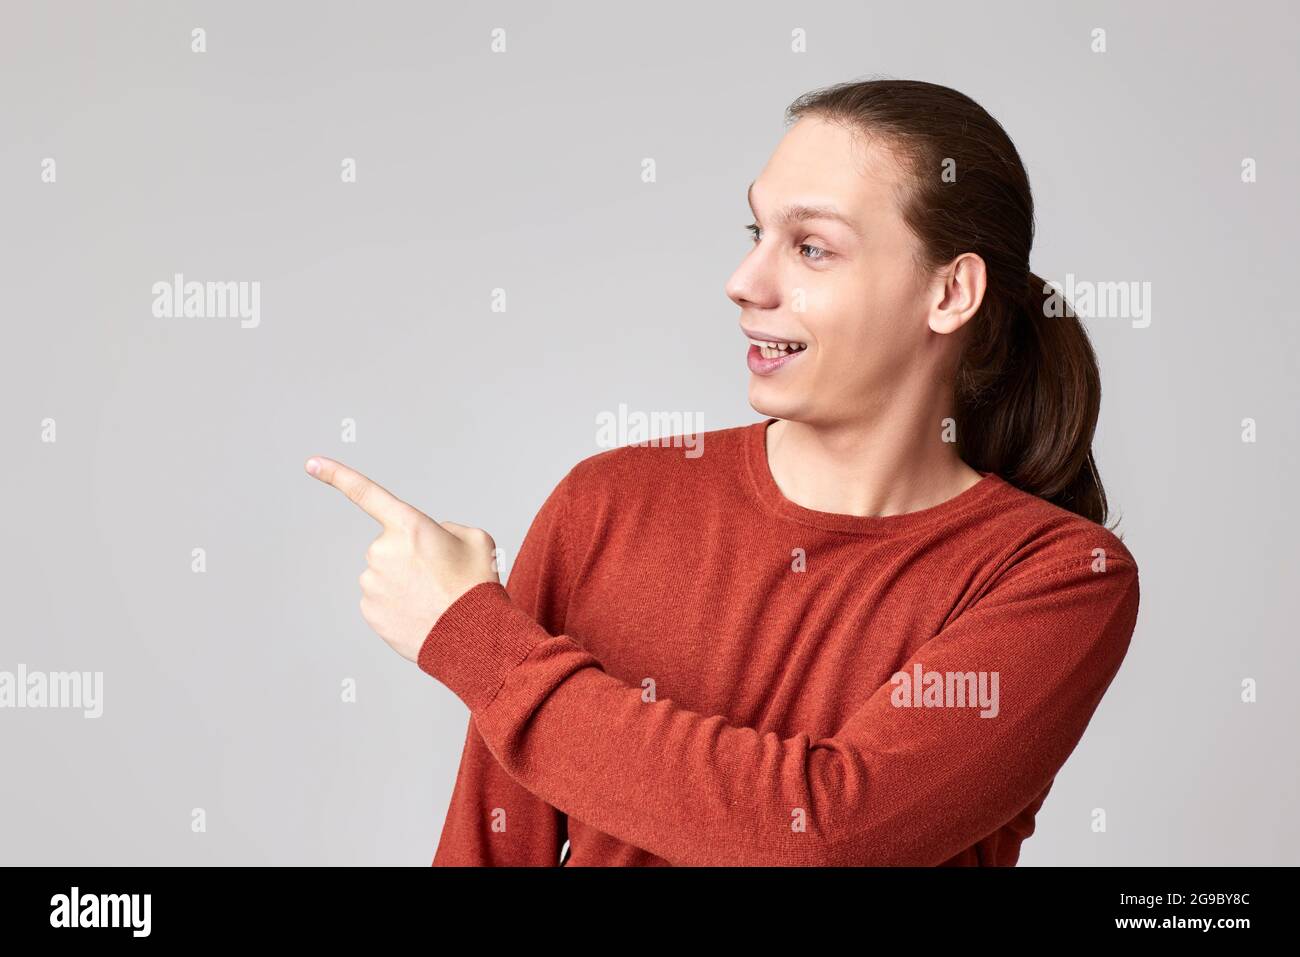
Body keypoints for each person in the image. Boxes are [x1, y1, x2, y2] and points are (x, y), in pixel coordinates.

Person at [314, 78, 1141, 866]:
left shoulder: (1057, 577)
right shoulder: (606, 504)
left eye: (812, 248)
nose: (744, 283)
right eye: (757, 235)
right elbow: (489, 851)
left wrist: (475, 639)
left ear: (951, 292)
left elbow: (827, 836)